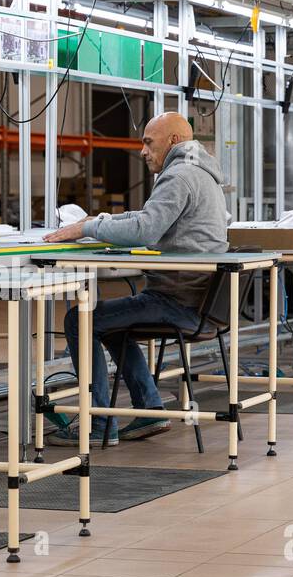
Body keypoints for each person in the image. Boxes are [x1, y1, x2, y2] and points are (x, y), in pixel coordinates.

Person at [43, 112, 229, 446]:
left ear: (172, 140)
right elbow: (146, 218)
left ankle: (97, 424)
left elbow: (146, 229)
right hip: (198, 301)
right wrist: (98, 220)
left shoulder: (180, 175)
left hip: (177, 302)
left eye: (148, 142)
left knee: (78, 319)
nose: (142, 151)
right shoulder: (200, 172)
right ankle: (149, 410)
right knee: (110, 322)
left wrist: (85, 228)